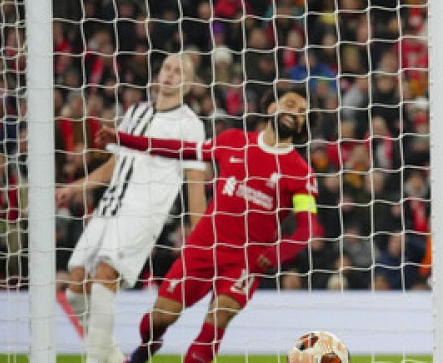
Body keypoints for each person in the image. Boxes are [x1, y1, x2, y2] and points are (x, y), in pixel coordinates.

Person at [95, 86, 322, 363]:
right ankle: (147, 346)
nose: (295, 114)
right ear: (271, 108)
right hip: (204, 246)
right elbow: (181, 149)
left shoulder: (301, 173)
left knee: (219, 315)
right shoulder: (233, 141)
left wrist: (276, 254)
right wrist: (122, 138)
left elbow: (308, 229)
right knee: (161, 316)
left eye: (302, 113)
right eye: (290, 105)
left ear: (303, 126)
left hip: (245, 260)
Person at [59, 53, 207, 363]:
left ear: (189, 83)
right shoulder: (136, 112)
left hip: (142, 214)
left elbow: (195, 182)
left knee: (104, 276)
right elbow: (113, 166)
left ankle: (96, 360)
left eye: (178, 71)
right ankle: (112, 357)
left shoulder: (190, 125)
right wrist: (76, 187)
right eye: (166, 67)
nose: (169, 74)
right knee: (75, 286)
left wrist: (201, 234)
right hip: (109, 207)